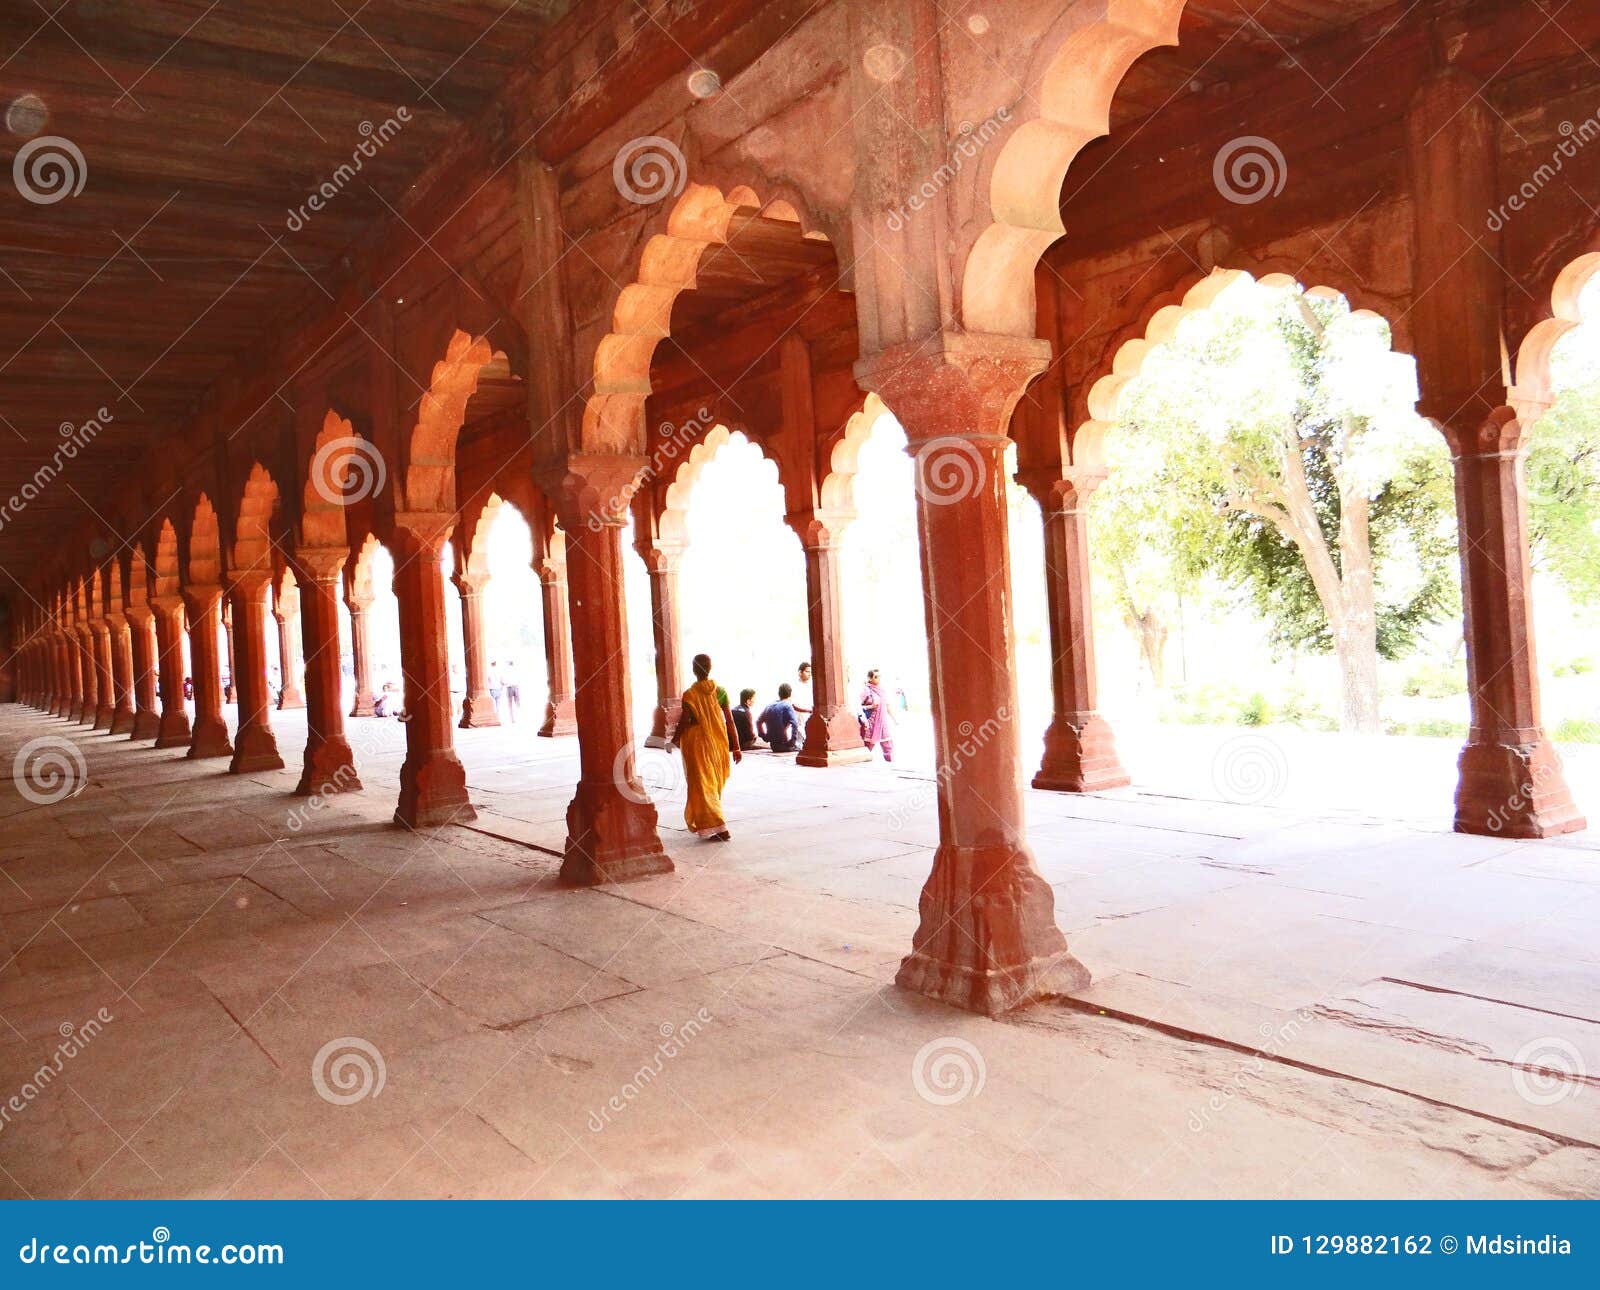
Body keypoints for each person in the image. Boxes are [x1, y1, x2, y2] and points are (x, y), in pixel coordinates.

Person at [668, 654, 740, 841]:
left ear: (694, 670)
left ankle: (719, 826)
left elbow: (685, 721)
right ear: (710, 668)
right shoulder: (720, 691)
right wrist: (736, 747)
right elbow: (730, 721)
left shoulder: (690, 694)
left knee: (703, 785)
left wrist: (674, 740)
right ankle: (712, 824)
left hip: (697, 744)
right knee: (712, 783)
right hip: (718, 743)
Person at [859, 667, 895, 762]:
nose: (878, 679)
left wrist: (895, 719)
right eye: (876, 677)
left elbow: (887, 705)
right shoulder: (866, 690)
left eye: (879, 676)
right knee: (868, 745)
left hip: (883, 721)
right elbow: (858, 707)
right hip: (871, 722)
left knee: (887, 743)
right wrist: (870, 706)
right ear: (870, 678)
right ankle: (862, 762)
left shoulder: (882, 690)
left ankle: (890, 762)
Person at [757, 683, 801, 753]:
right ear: (790, 694)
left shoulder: (769, 706)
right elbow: (795, 724)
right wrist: (792, 741)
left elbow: (758, 722)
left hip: (773, 745)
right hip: (783, 743)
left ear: (779, 693)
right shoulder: (788, 706)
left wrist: (763, 736)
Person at [502, 658, 521, 723]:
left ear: (508, 664)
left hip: (509, 688)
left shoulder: (506, 670)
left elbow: (504, 681)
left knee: (510, 704)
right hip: (516, 687)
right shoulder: (516, 669)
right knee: (517, 703)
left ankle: (512, 719)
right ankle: (519, 716)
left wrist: (503, 684)